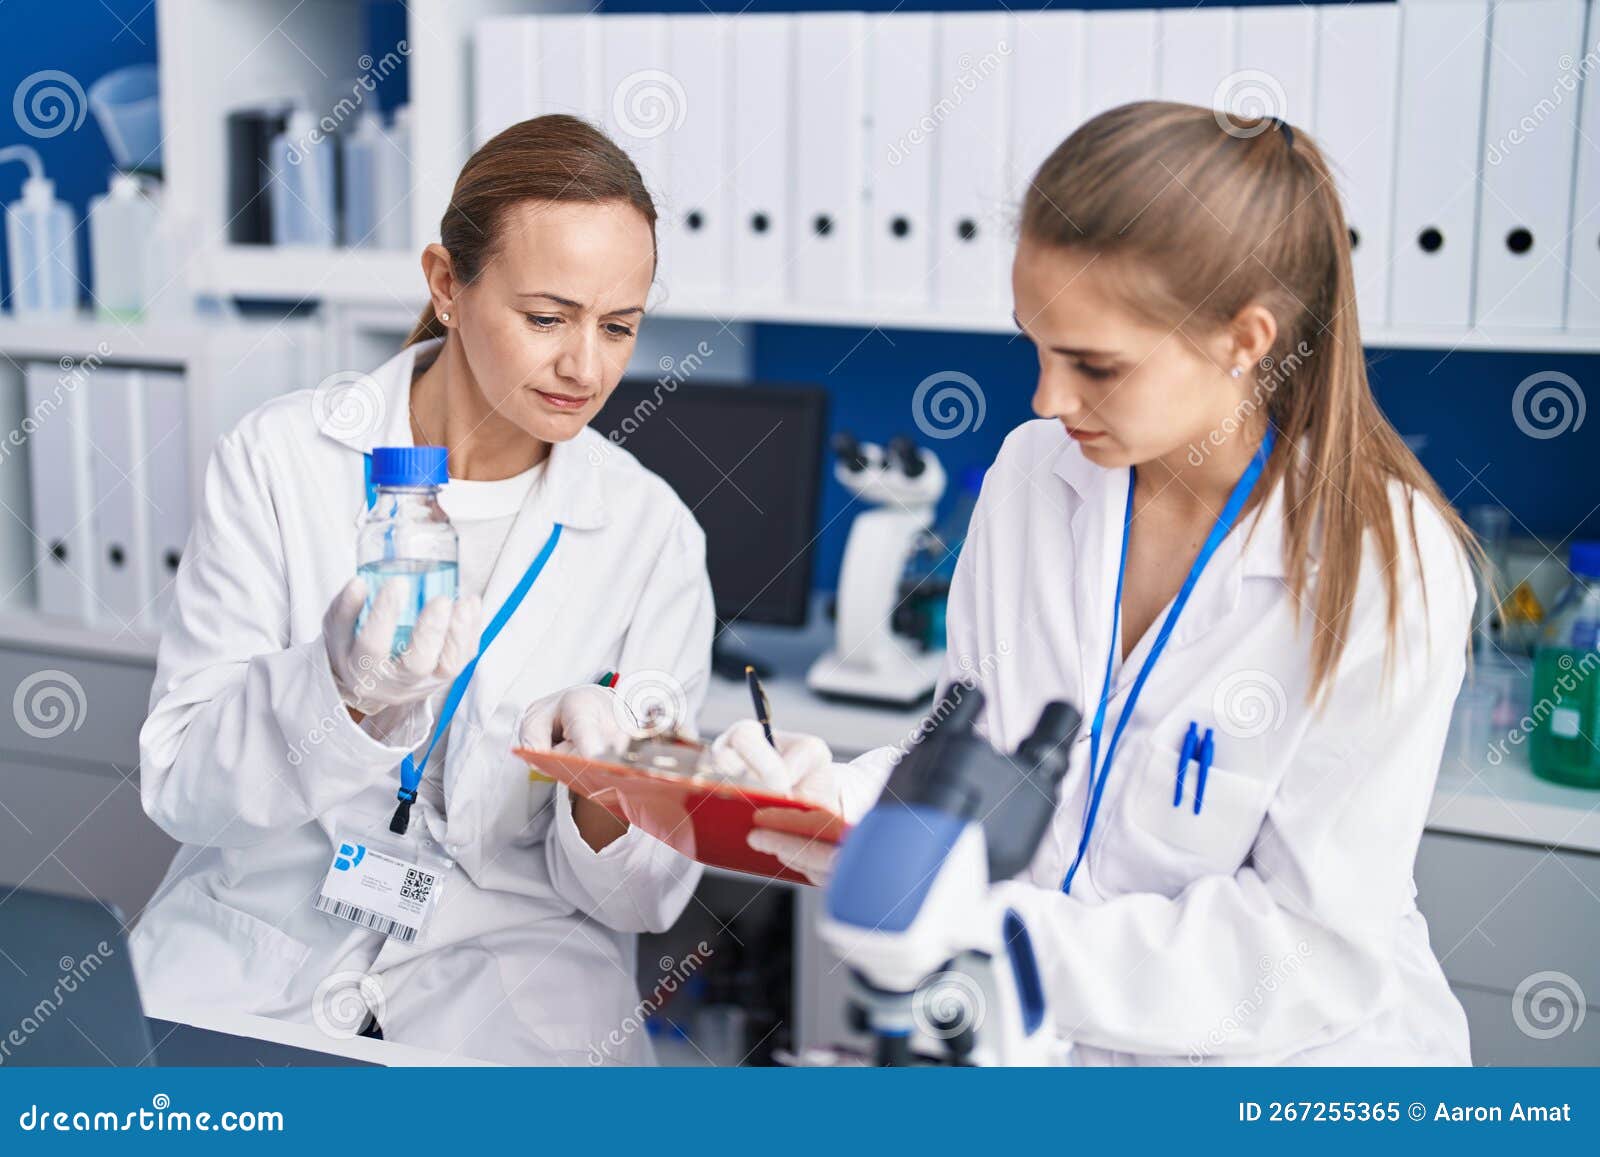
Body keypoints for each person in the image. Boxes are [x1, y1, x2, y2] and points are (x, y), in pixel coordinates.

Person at [714, 102, 1479, 1065]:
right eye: (1036, 345)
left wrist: (991, 935)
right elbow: (976, 753)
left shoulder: (1382, 565)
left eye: (1096, 365)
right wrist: (842, 800)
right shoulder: (1034, 476)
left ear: (1246, 339)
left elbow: (1307, 950)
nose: (1047, 399)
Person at [130, 116, 712, 1064]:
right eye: (547, 317)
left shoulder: (651, 536)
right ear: (447, 283)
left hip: (509, 1007)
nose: (587, 367)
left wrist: (609, 794)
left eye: (619, 327)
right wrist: (340, 692)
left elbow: (643, 898)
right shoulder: (280, 461)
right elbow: (185, 792)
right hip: (253, 967)